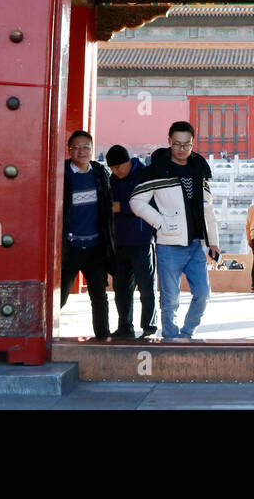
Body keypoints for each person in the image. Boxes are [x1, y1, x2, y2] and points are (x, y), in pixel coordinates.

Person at [130, 121, 220, 342]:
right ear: (169, 141)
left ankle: (187, 333)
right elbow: (136, 201)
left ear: (193, 143)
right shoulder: (156, 169)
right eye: (177, 144)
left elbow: (208, 209)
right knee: (170, 299)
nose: (182, 149)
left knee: (203, 294)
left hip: (196, 244)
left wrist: (213, 242)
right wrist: (160, 222)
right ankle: (170, 338)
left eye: (187, 144)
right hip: (169, 245)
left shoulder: (199, 168)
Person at [60, 130, 115, 341]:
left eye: (86, 147)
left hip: (95, 247)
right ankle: (45, 334)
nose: (81, 151)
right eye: (76, 147)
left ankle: (103, 337)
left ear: (92, 150)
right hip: (70, 247)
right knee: (60, 297)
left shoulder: (100, 173)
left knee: (99, 296)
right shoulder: (62, 173)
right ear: (69, 150)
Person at [107, 144, 157, 340]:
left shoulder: (145, 175)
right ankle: (125, 326)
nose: (115, 171)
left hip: (142, 240)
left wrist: (123, 207)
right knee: (121, 288)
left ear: (128, 162)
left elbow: (152, 203)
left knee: (146, 286)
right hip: (119, 242)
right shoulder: (112, 179)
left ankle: (149, 327)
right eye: (111, 168)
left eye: (118, 167)